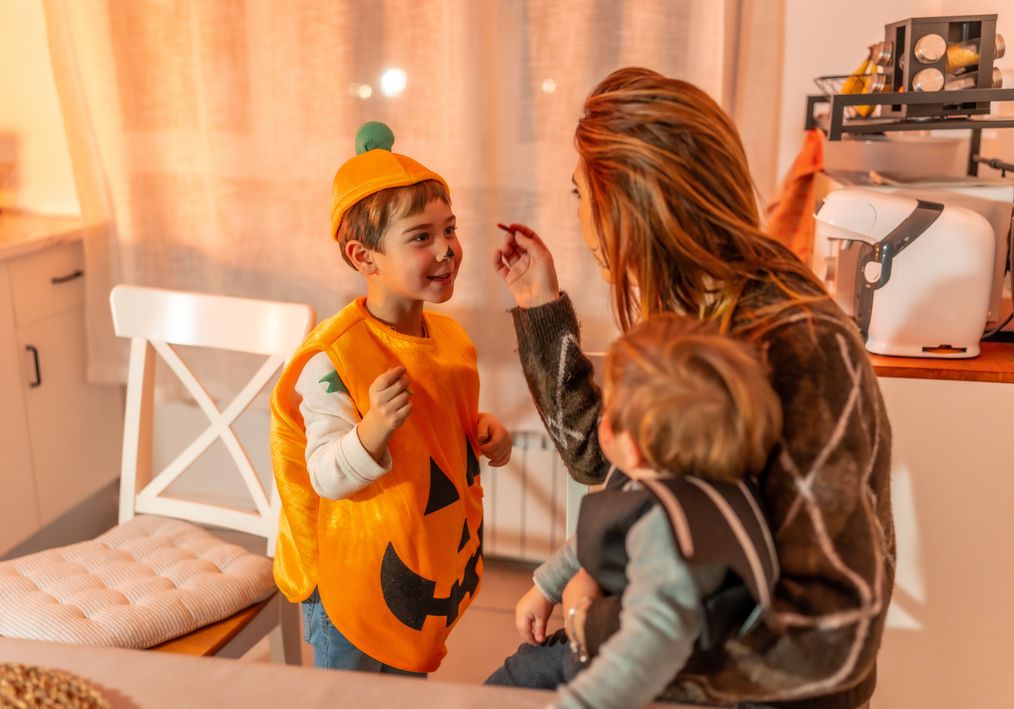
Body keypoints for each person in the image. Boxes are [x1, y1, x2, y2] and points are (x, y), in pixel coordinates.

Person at [491, 68, 893, 708]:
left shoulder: (801, 345)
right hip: (656, 635)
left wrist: (592, 626)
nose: (584, 224)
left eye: (580, 197)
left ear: (630, 206)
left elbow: (831, 638)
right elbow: (606, 458)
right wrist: (540, 306)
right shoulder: (694, 303)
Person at [271, 122, 512, 675]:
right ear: (364, 257)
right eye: (421, 236)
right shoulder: (333, 362)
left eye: (450, 229)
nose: (448, 249)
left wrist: (483, 431)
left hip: (426, 552)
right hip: (350, 577)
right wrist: (372, 429)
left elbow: (440, 427)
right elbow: (325, 475)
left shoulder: (450, 340)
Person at [487, 314, 783, 709]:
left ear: (635, 445)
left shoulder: (670, 530)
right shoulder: (675, 476)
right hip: (603, 633)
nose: (601, 420)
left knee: (513, 684)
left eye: (611, 413)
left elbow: (648, 646)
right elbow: (599, 534)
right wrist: (547, 587)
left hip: (657, 678)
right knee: (510, 679)